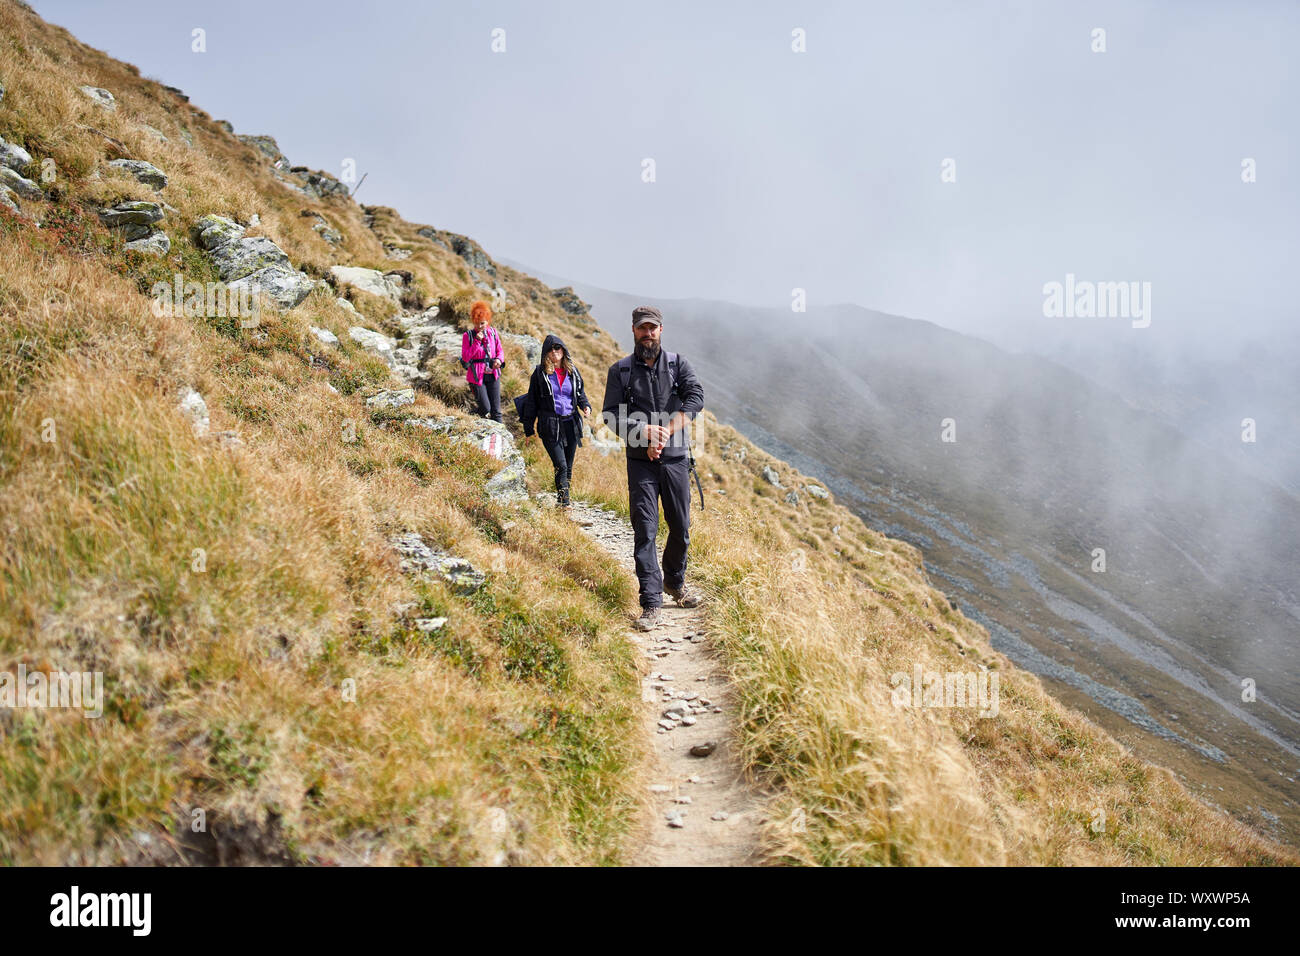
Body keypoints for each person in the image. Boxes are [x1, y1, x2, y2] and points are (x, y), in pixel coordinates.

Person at [601, 305, 706, 631]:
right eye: (642, 328)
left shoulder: (678, 365)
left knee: (681, 528)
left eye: (653, 328)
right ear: (633, 331)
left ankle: (674, 582)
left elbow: (696, 397)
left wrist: (667, 430)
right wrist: (644, 432)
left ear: (661, 330)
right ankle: (650, 602)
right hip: (640, 464)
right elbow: (610, 415)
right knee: (645, 530)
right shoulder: (620, 371)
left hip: (675, 460)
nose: (648, 334)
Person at [518, 334, 591, 511]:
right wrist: (528, 429)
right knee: (561, 464)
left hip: (571, 423)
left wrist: (586, 406)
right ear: (545, 353)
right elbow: (532, 401)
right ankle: (564, 504)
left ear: (563, 350)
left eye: (557, 348)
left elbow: (580, 394)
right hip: (549, 424)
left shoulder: (572, 371)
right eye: (550, 349)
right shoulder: (540, 373)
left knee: (569, 464)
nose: (554, 352)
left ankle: (564, 497)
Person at [460, 300, 504, 422]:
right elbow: (466, 357)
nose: (480, 326)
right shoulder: (467, 336)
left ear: (488, 321)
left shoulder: (493, 333)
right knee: (485, 408)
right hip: (476, 377)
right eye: (477, 323)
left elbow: (500, 350)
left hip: (493, 375)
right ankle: (468, 418)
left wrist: (499, 360)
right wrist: (477, 341)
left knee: (497, 411)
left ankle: (500, 436)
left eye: (483, 323)